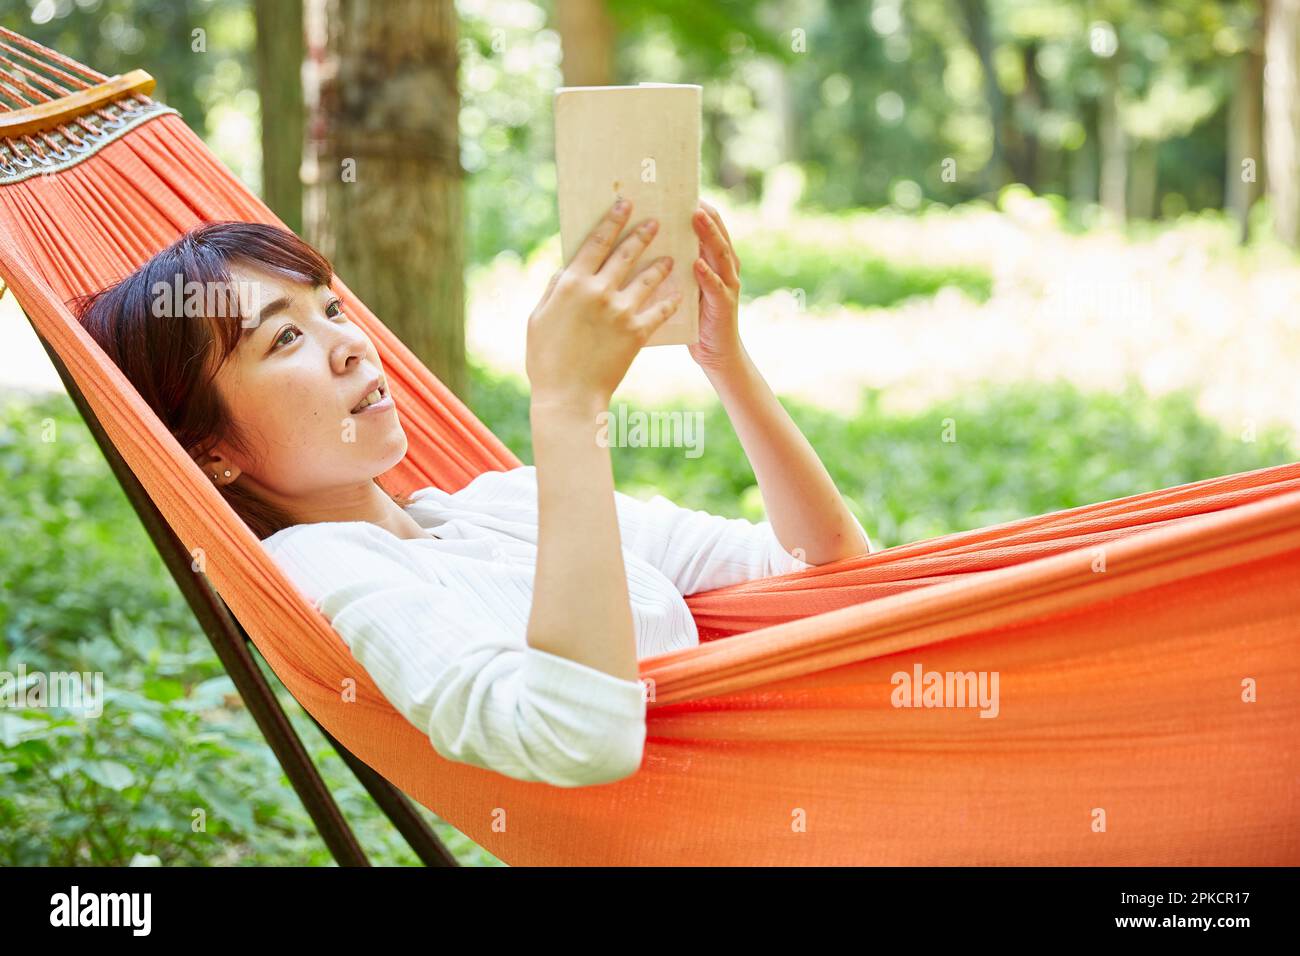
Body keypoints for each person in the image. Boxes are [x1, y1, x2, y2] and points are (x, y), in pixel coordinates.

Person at [75, 197, 872, 788]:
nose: (350, 346)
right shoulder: (323, 568)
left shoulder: (499, 504)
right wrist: (567, 407)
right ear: (211, 452)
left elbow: (819, 564)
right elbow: (578, 739)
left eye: (332, 309)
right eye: (285, 337)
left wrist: (721, 358)